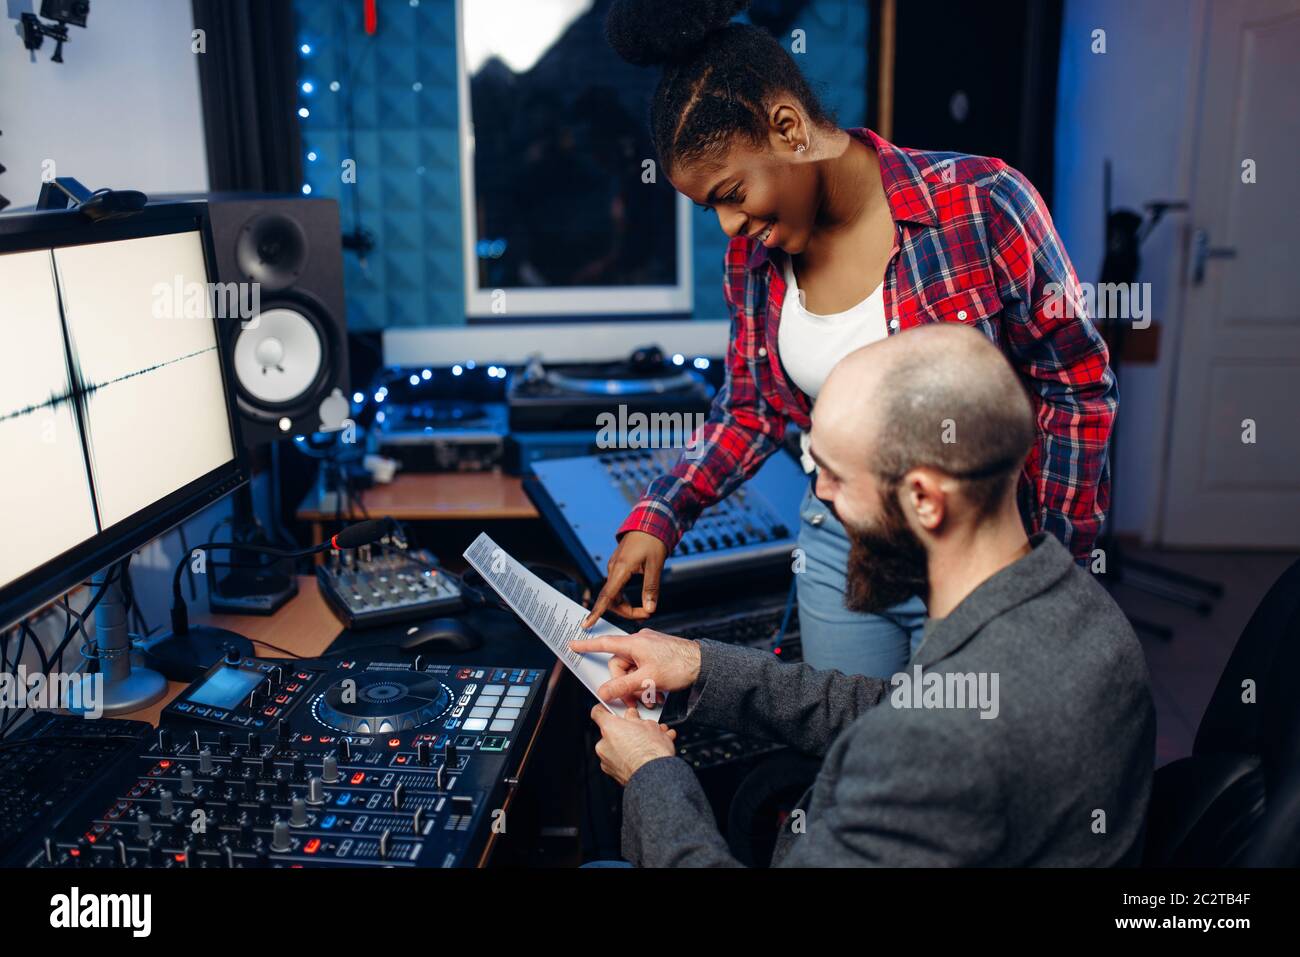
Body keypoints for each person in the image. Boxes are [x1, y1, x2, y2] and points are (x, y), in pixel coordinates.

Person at [582, 0, 1117, 680]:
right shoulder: (753, 261)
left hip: (978, 560)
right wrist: (659, 514)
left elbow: (1077, 386)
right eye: (708, 207)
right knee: (849, 753)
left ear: (789, 128)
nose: (727, 225)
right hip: (839, 547)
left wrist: (1055, 562)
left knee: (950, 770)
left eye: (732, 192)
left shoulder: (983, 203)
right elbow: (750, 410)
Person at [571, 324, 1154, 867]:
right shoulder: (1076, 607)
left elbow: (920, 735)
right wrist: (701, 666)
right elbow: (897, 704)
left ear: (924, 499)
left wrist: (652, 775)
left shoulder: (930, 758)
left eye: (835, 476)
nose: (819, 497)